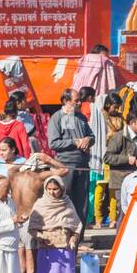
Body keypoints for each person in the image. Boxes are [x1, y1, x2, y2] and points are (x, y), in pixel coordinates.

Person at [28, 174, 81, 273]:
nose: (52, 192)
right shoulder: (40, 204)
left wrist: (73, 238)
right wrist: (41, 237)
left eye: (55, 189)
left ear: (62, 188)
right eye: (49, 189)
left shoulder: (67, 203)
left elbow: (76, 226)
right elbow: (32, 228)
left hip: (65, 252)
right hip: (47, 252)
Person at [47, 90, 94, 223]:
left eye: (80, 100)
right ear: (66, 101)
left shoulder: (81, 117)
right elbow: (53, 143)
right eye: (76, 100)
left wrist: (87, 140)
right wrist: (74, 142)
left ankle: (79, 237)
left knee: (82, 202)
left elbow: (92, 136)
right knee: (65, 200)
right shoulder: (57, 118)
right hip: (65, 165)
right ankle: (64, 235)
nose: (79, 103)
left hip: (83, 165)